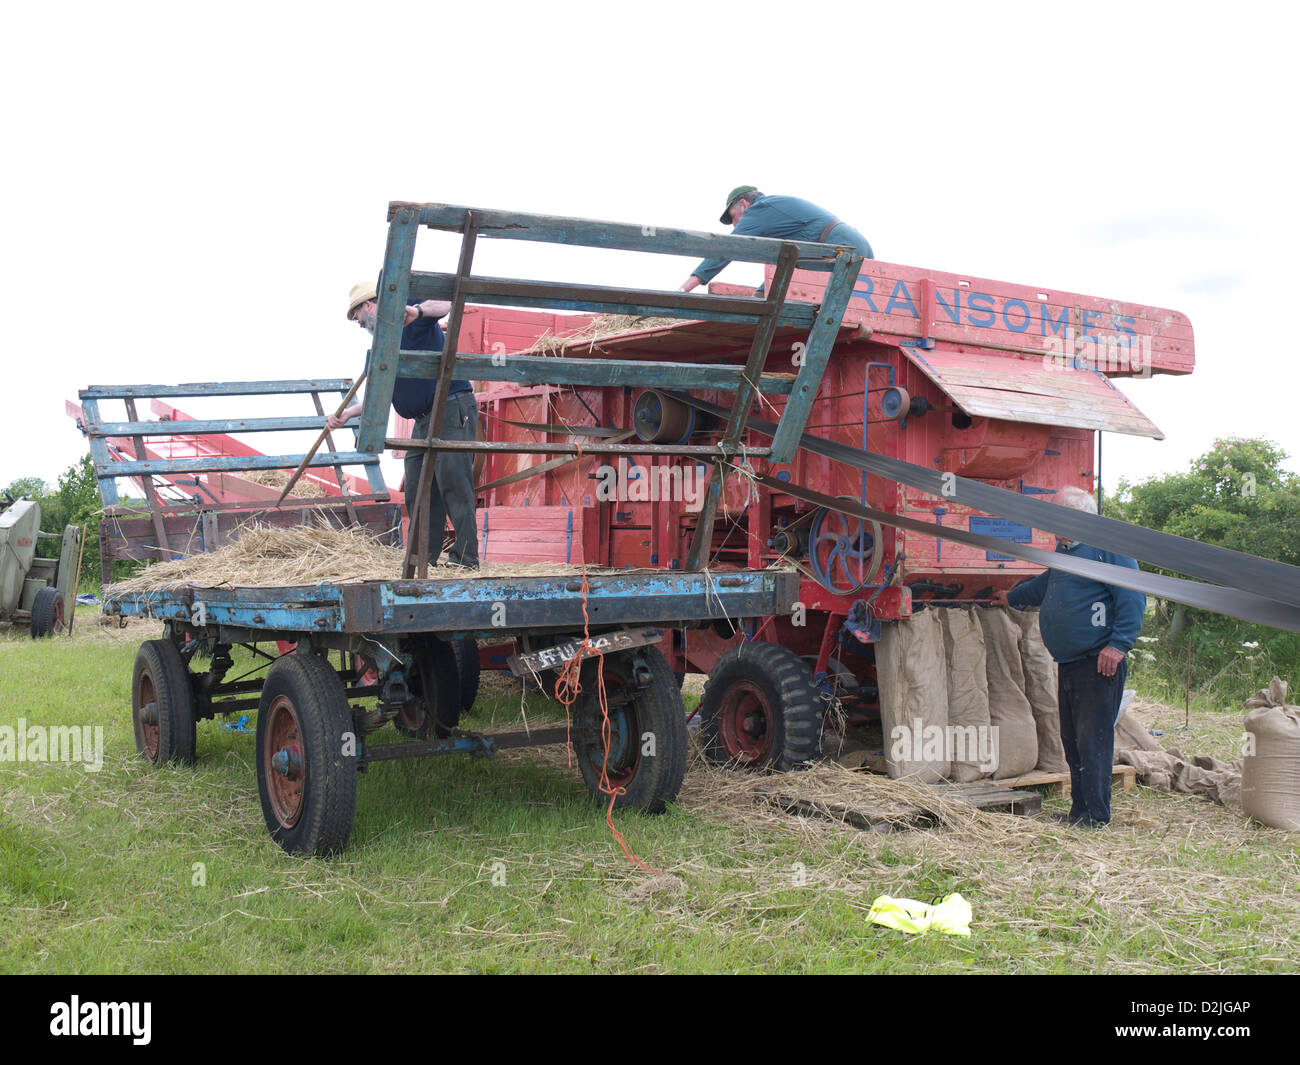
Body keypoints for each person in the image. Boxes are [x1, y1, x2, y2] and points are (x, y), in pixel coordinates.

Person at [991, 485, 1145, 828]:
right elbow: (1046, 586)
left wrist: (1118, 645)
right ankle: (1080, 811)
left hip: (1098, 661)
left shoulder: (1109, 549)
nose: (1051, 523)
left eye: (1057, 514)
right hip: (1071, 662)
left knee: (1094, 741)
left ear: (1078, 516)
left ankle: (1097, 816)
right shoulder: (1065, 553)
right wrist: (1011, 597)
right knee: (1073, 741)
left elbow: (1133, 597)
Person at [329, 281, 479, 569]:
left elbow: (446, 304)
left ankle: (465, 560)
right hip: (422, 421)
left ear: (369, 306)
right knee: (417, 491)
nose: (357, 323)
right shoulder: (383, 346)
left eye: (356, 316)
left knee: (454, 484)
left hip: (450, 408)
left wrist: (417, 310)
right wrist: (348, 414)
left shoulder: (411, 311)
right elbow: (380, 396)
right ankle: (423, 559)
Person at [679, 186, 874, 293]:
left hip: (843, 250)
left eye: (732, 217)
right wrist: (760, 292)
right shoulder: (774, 213)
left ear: (743, 205)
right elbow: (784, 268)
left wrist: (686, 287)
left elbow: (728, 249)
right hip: (856, 248)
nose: (734, 225)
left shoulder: (757, 210)